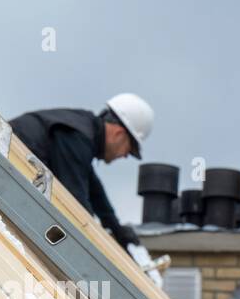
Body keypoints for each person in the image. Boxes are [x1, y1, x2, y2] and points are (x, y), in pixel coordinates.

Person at [9, 94, 153, 249]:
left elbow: (94, 190)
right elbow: (77, 202)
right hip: (4, 170)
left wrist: (116, 228)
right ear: (119, 134)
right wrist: (97, 245)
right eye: (129, 150)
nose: (125, 156)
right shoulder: (77, 137)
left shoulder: (83, 132)